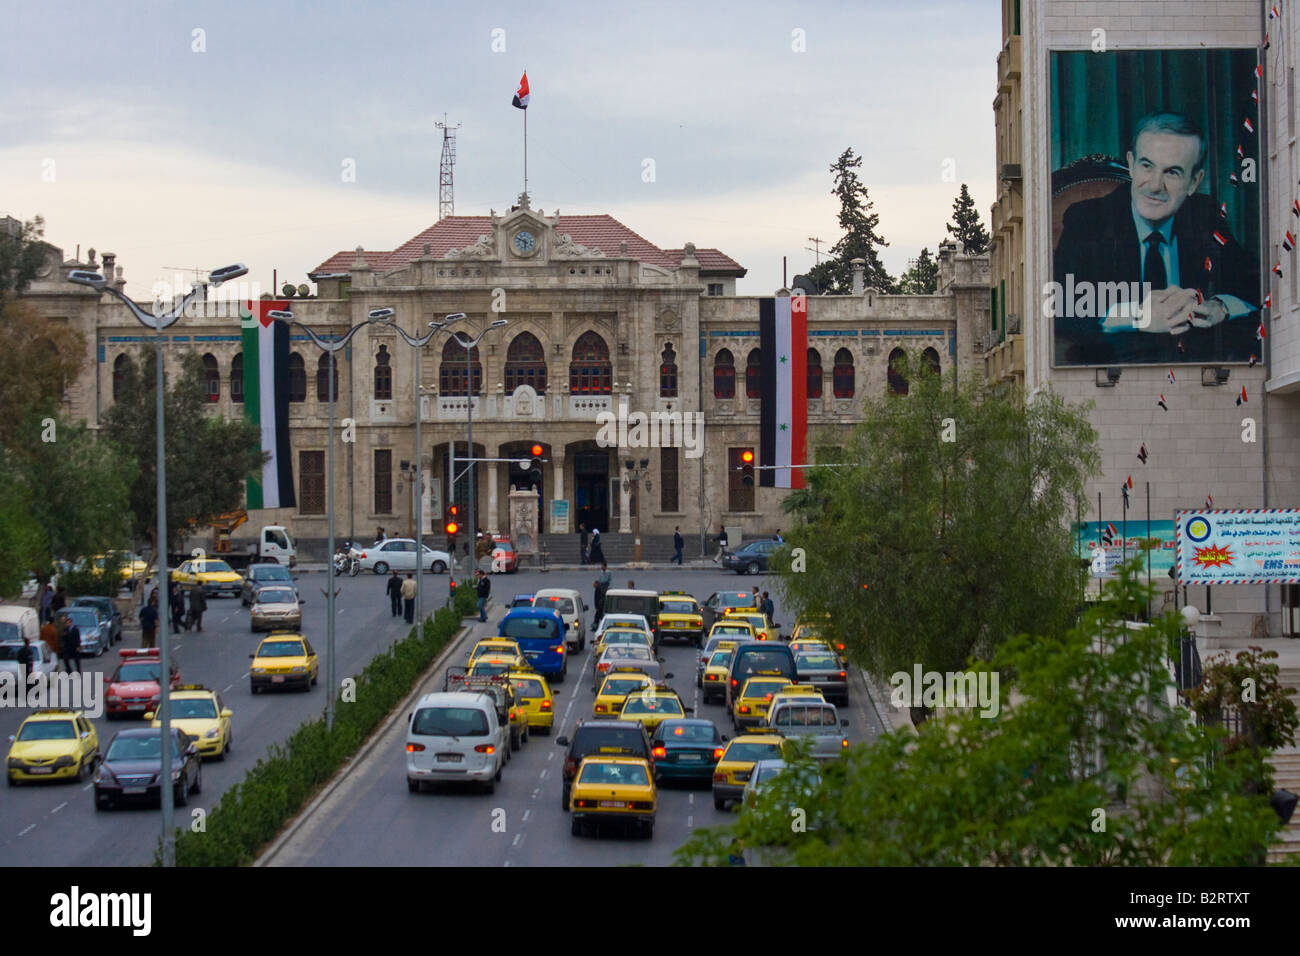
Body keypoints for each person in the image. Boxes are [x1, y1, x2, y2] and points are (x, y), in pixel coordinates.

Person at [1052, 110, 1260, 365]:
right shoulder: (1087, 219)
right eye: (1147, 166)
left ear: (1194, 181)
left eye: (1172, 172)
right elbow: (1059, 306)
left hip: (1190, 371)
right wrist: (1140, 315)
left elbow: (1257, 283)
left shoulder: (1203, 215)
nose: (1154, 186)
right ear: (1131, 163)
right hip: (1113, 368)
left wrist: (1220, 307)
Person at [593, 561, 612, 627]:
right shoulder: (600, 572)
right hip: (601, 585)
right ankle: (595, 625)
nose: (602, 567)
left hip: (605, 585)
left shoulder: (609, 572)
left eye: (603, 566)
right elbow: (599, 580)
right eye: (601, 566)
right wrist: (598, 584)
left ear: (605, 566)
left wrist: (608, 587)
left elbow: (610, 581)